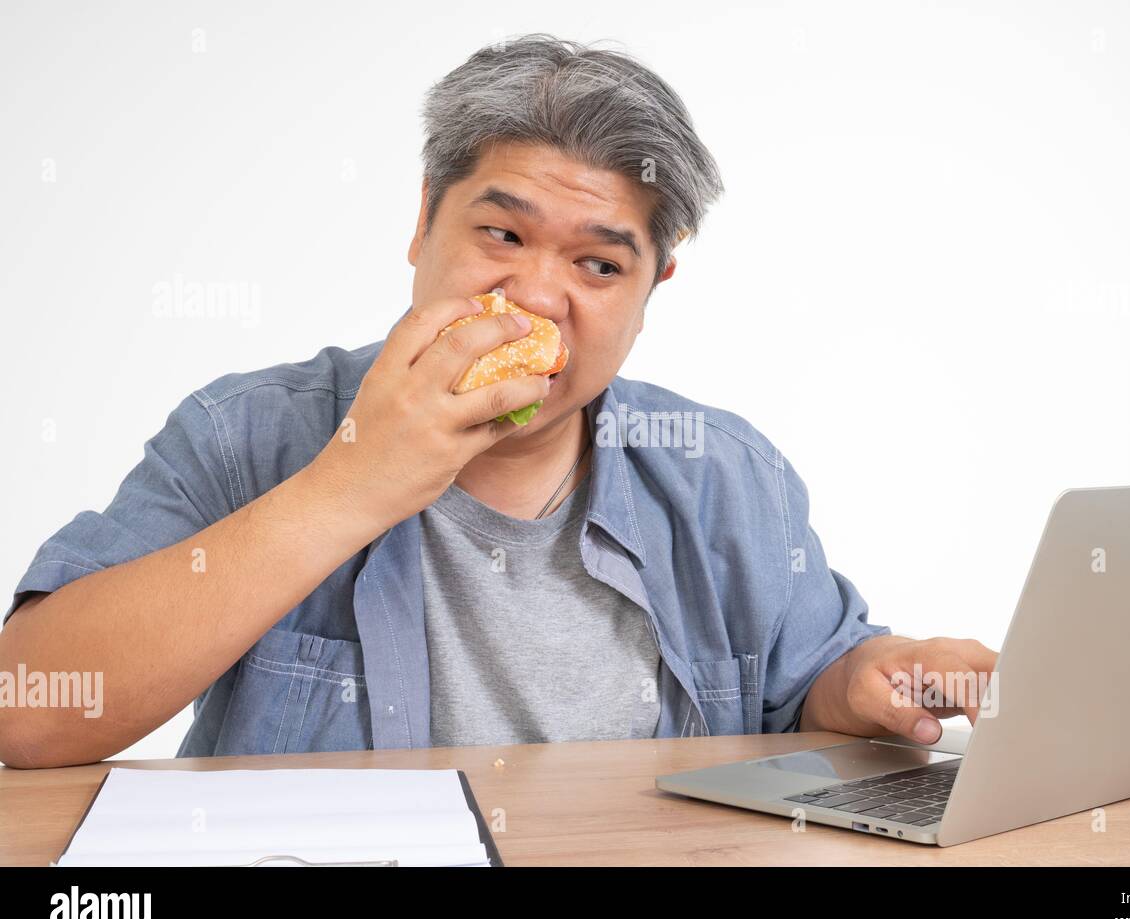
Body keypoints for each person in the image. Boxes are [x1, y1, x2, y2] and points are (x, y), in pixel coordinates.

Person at [0, 34, 996, 769]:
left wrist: (867, 678)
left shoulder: (720, 470)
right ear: (423, 222)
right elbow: (26, 708)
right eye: (503, 236)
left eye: (599, 262)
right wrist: (354, 484)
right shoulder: (247, 432)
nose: (534, 296)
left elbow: (808, 685)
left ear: (651, 291)